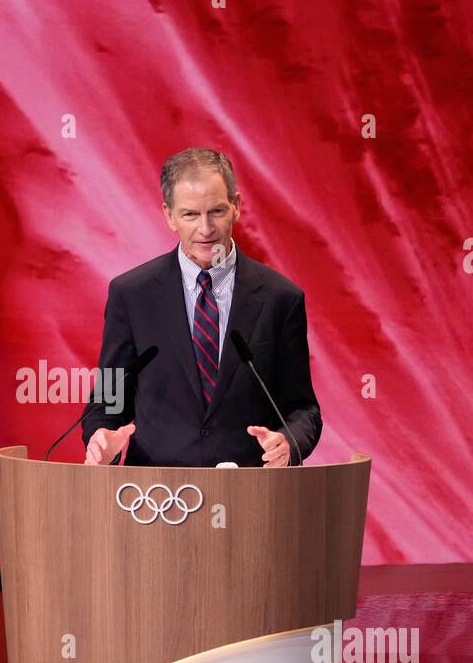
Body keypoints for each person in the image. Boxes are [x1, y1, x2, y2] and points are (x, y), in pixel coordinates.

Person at [82, 147, 322, 468]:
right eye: (190, 214)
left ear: (236, 206)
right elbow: (107, 400)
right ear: (169, 216)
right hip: (154, 496)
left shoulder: (281, 298)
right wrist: (101, 438)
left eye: (217, 212)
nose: (205, 229)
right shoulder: (131, 295)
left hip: (251, 495)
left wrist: (288, 444)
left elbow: (302, 410)